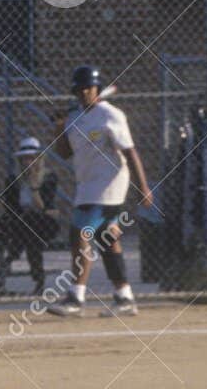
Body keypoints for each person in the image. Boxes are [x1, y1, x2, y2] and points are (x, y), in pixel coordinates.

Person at [48, 65, 152, 317]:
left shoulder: (110, 115)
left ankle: (76, 296)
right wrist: (59, 127)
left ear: (97, 88)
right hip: (87, 185)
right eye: (81, 89)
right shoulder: (75, 118)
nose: (85, 92)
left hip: (110, 183)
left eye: (90, 88)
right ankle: (124, 296)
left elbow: (130, 152)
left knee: (80, 232)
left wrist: (143, 187)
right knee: (108, 240)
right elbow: (64, 153)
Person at [0, 137, 60, 296]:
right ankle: (39, 281)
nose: (27, 162)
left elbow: (44, 207)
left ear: (38, 159)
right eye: (24, 159)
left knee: (31, 225)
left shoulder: (49, 178)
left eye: (31, 158)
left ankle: (12, 255)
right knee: (30, 237)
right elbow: (10, 206)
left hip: (42, 222)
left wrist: (33, 187)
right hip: (21, 222)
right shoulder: (13, 180)